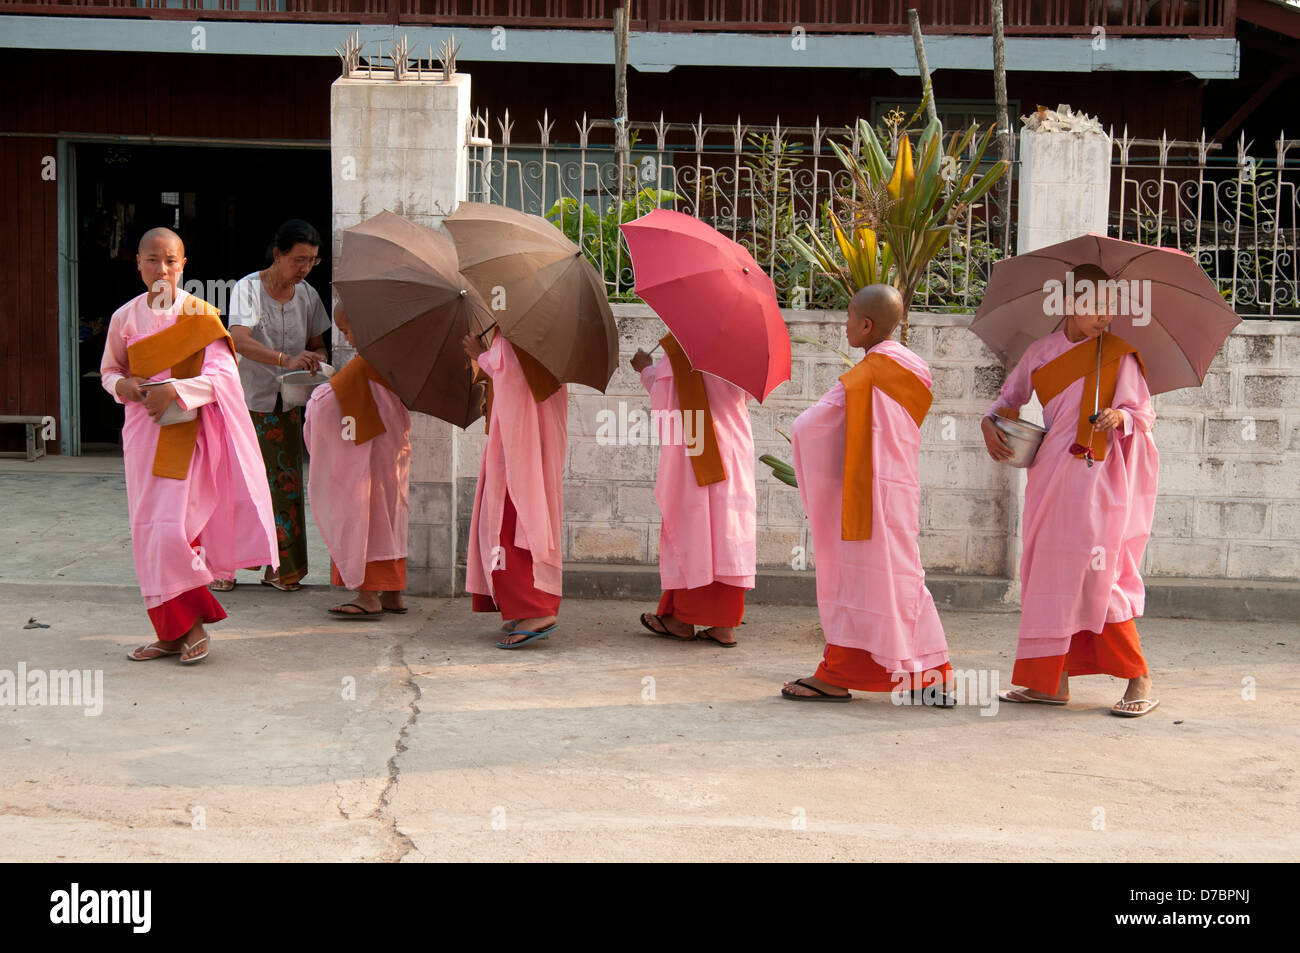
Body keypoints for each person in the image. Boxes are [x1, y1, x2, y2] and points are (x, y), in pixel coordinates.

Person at [982, 263, 1160, 717]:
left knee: (1099, 572)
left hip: (1097, 478)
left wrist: (1121, 417)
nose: (1105, 316)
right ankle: (1050, 682)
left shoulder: (1119, 355)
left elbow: (1143, 414)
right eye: (1094, 306)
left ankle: (1138, 677)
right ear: (1067, 304)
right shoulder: (1040, 353)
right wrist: (988, 425)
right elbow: (1007, 401)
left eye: (1110, 307)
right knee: (1048, 575)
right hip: (1050, 477)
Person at [101, 227, 277, 664]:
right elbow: (109, 371)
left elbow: (223, 378)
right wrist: (123, 384)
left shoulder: (200, 315)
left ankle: (192, 625)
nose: (161, 269)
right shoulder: (124, 318)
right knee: (148, 535)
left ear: (183, 264)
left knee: (176, 532)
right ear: (138, 263)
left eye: (170, 260)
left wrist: (175, 390)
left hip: (187, 436)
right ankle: (169, 632)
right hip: (144, 435)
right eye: (151, 260)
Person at [781, 285, 954, 705]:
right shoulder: (916, 367)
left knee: (857, 580)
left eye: (847, 319)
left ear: (865, 324)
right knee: (903, 578)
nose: (844, 327)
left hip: (865, 498)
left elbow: (808, 427)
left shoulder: (866, 375)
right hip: (899, 492)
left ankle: (839, 674)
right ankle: (929, 675)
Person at [221, 219, 331, 592]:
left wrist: (314, 358)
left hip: (289, 403)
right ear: (278, 254)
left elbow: (318, 344)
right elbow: (239, 341)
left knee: (284, 485)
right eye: (299, 259)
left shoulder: (308, 296)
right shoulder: (247, 290)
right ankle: (225, 566)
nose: (304, 268)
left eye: (312, 261)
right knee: (240, 485)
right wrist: (285, 358)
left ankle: (282, 569)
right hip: (247, 401)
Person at [630, 333, 755, 647]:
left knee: (691, 531)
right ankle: (723, 626)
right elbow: (745, 395)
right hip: (732, 447)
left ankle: (682, 620)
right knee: (727, 535)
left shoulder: (682, 347)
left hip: (695, 451)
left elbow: (665, 397)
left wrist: (646, 368)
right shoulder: (741, 345)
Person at [462, 327, 567, 649]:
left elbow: (511, 377)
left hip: (517, 450)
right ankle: (524, 607)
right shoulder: (549, 330)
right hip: (531, 443)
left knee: (512, 524)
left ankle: (535, 610)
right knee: (523, 522)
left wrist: (479, 353)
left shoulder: (519, 331)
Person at [303, 304, 410, 618]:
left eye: (348, 329)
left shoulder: (363, 365)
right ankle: (392, 594)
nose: (347, 338)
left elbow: (323, 408)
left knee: (365, 518)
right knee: (391, 518)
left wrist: (315, 399)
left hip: (368, 459)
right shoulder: (395, 358)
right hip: (392, 453)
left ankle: (367, 596)